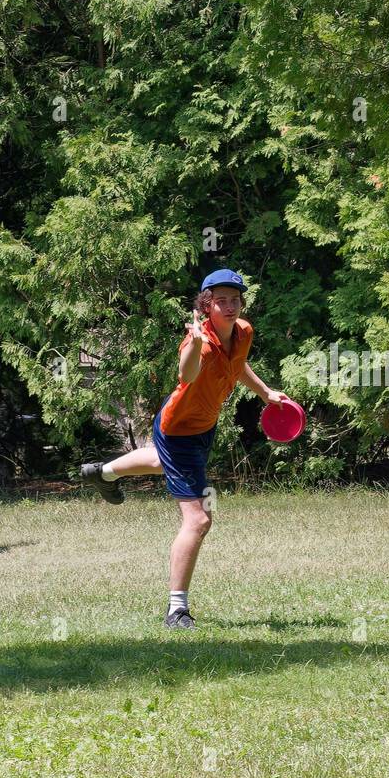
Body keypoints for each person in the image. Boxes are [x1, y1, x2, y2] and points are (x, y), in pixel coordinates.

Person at [81, 269, 286, 629]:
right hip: (180, 429)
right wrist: (191, 343)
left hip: (199, 427)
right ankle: (177, 610)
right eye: (220, 300)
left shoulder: (243, 332)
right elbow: (187, 375)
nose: (229, 305)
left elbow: (238, 367)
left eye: (235, 299)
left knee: (161, 463)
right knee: (199, 519)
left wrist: (265, 392)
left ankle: (103, 472)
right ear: (206, 306)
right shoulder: (201, 342)